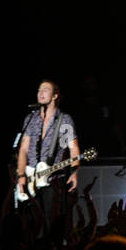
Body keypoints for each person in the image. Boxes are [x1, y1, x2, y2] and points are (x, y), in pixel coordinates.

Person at [16, 80, 81, 222]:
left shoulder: (64, 120)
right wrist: (21, 176)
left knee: (50, 222)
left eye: (45, 89)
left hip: (52, 180)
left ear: (55, 96)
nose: (40, 93)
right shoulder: (31, 119)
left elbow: (73, 147)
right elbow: (23, 149)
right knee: (29, 224)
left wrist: (75, 172)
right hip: (30, 178)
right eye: (39, 90)